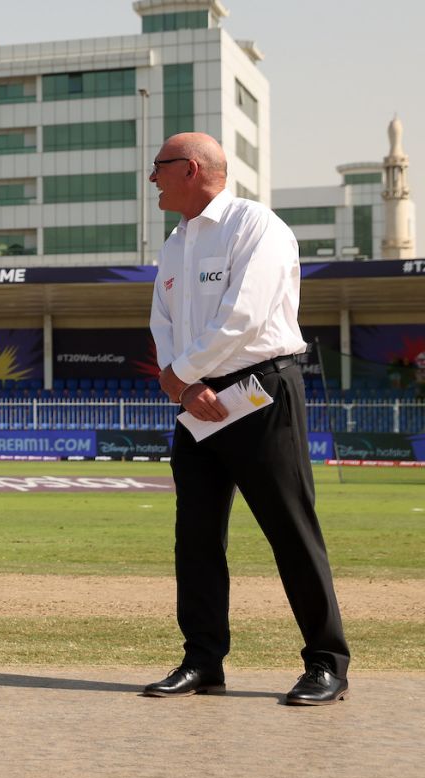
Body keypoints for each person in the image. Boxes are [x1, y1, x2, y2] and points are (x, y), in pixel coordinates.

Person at [145, 133, 350, 705]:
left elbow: (245, 317)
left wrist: (182, 375)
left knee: (290, 528)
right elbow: (162, 319)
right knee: (197, 538)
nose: (152, 179)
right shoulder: (176, 241)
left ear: (190, 169)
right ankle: (203, 660)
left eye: (159, 168)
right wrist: (183, 385)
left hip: (260, 393)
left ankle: (327, 662)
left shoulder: (257, 226)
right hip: (196, 405)